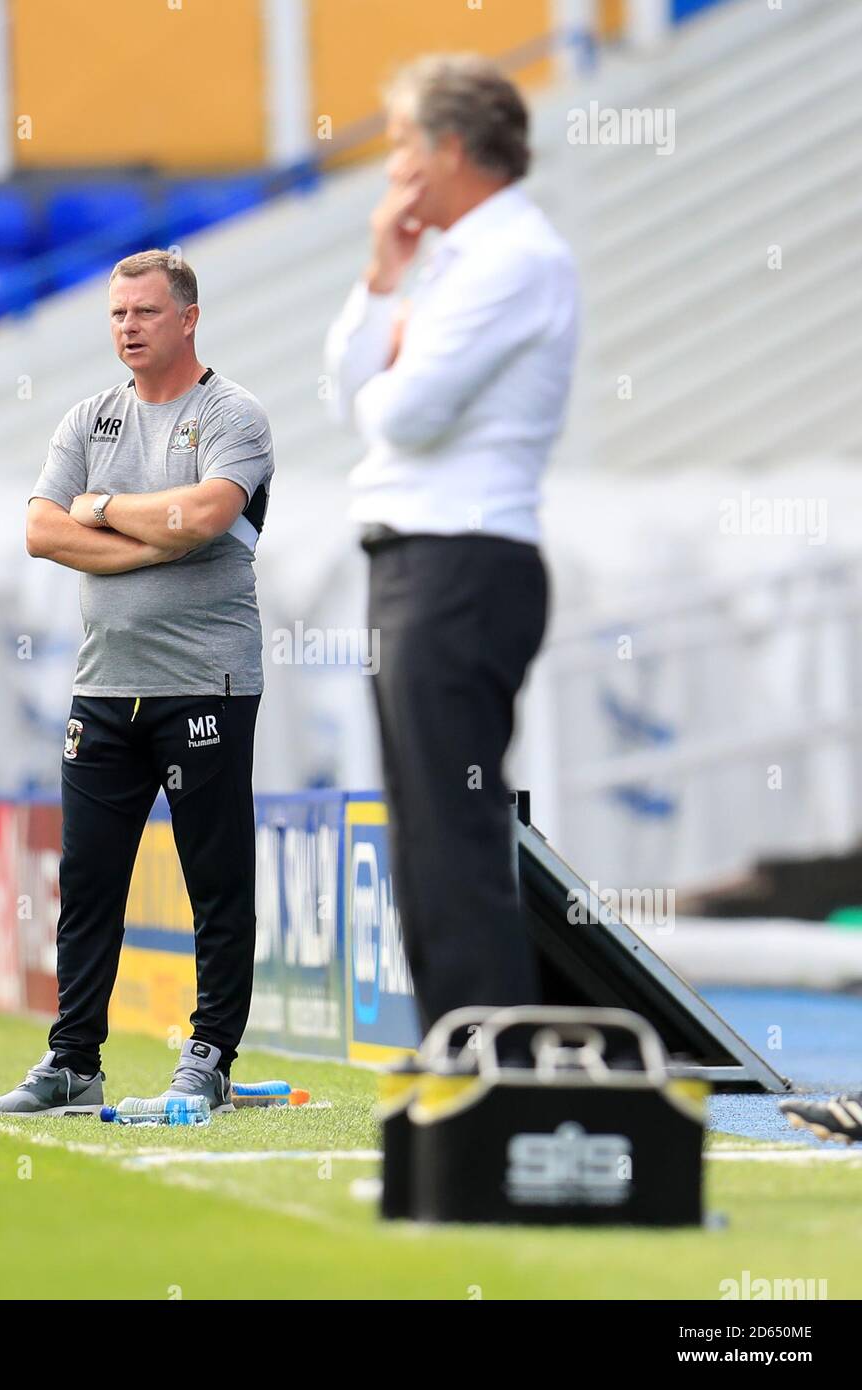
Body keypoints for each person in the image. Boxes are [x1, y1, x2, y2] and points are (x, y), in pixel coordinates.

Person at [0, 249, 273, 1116]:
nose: (128, 328)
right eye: (117, 314)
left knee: (215, 882)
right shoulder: (88, 419)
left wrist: (101, 509)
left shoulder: (232, 413)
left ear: (188, 317)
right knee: (90, 880)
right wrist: (157, 537)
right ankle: (74, 1060)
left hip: (205, 684)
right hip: (105, 686)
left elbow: (210, 513)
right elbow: (39, 529)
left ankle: (210, 1054)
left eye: (145, 312)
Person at [324, 54, 578, 1040]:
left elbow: (404, 413)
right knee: (426, 830)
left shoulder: (516, 257)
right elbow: (355, 389)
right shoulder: (452, 261)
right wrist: (383, 278)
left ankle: (492, 1063)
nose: (391, 168)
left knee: (454, 829)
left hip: (462, 564)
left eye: (400, 143)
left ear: (453, 149)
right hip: (417, 562)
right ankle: (461, 1050)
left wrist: (392, 360)